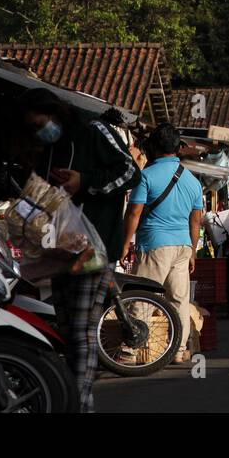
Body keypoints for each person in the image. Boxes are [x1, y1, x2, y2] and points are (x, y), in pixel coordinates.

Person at [17, 88, 139, 412]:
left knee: (83, 332)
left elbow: (130, 173)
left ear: (56, 114)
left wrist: (84, 181)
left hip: (95, 251)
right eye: (34, 128)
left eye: (41, 124)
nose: (40, 132)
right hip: (61, 252)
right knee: (68, 330)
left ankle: (81, 405)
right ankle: (70, 398)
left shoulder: (93, 130)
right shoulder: (48, 148)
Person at [121, 124, 203, 366]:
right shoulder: (192, 180)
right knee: (178, 300)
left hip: (155, 245)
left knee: (143, 296)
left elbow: (134, 213)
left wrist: (126, 243)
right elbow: (196, 220)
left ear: (153, 147)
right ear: (178, 148)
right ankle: (177, 350)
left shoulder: (145, 175)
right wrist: (193, 252)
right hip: (183, 246)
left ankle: (131, 351)